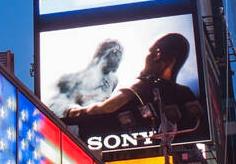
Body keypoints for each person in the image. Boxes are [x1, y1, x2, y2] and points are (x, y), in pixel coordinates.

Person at [64, 33, 201, 139]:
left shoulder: (140, 86)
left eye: (150, 51)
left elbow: (105, 108)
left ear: (157, 55)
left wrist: (74, 111)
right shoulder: (186, 93)